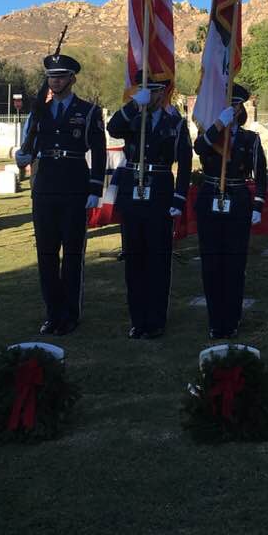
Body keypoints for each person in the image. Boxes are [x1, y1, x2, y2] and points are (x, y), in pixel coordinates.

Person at [15, 54, 106, 336]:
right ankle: (52, 313)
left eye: (61, 76)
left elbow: (99, 153)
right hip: (44, 187)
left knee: (73, 253)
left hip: (74, 186)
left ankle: (70, 314)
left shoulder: (88, 111)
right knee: (46, 254)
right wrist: (21, 155)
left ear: (72, 79)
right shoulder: (38, 111)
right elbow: (28, 145)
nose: (55, 81)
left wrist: (94, 188)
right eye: (51, 77)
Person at [106, 74, 192, 339]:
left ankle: (155, 320)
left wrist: (179, 198)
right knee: (134, 258)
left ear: (162, 93)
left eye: (154, 92)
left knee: (157, 258)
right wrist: (134, 104)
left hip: (160, 192)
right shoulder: (133, 118)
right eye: (145, 90)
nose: (151, 96)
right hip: (133, 190)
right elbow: (112, 128)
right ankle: (137, 319)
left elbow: (185, 163)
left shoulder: (175, 123)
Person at [193, 83, 267, 339]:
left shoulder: (250, 139)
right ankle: (216, 320)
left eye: (236, 105)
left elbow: (262, 175)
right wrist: (218, 125)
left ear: (241, 109)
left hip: (237, 200)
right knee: (211, 262)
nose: (231, 109)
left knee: (235, 264)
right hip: (210, 196)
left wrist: (257, 205)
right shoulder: (209, 134)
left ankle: (232, 319)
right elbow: (199, 148)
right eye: (227, 105)